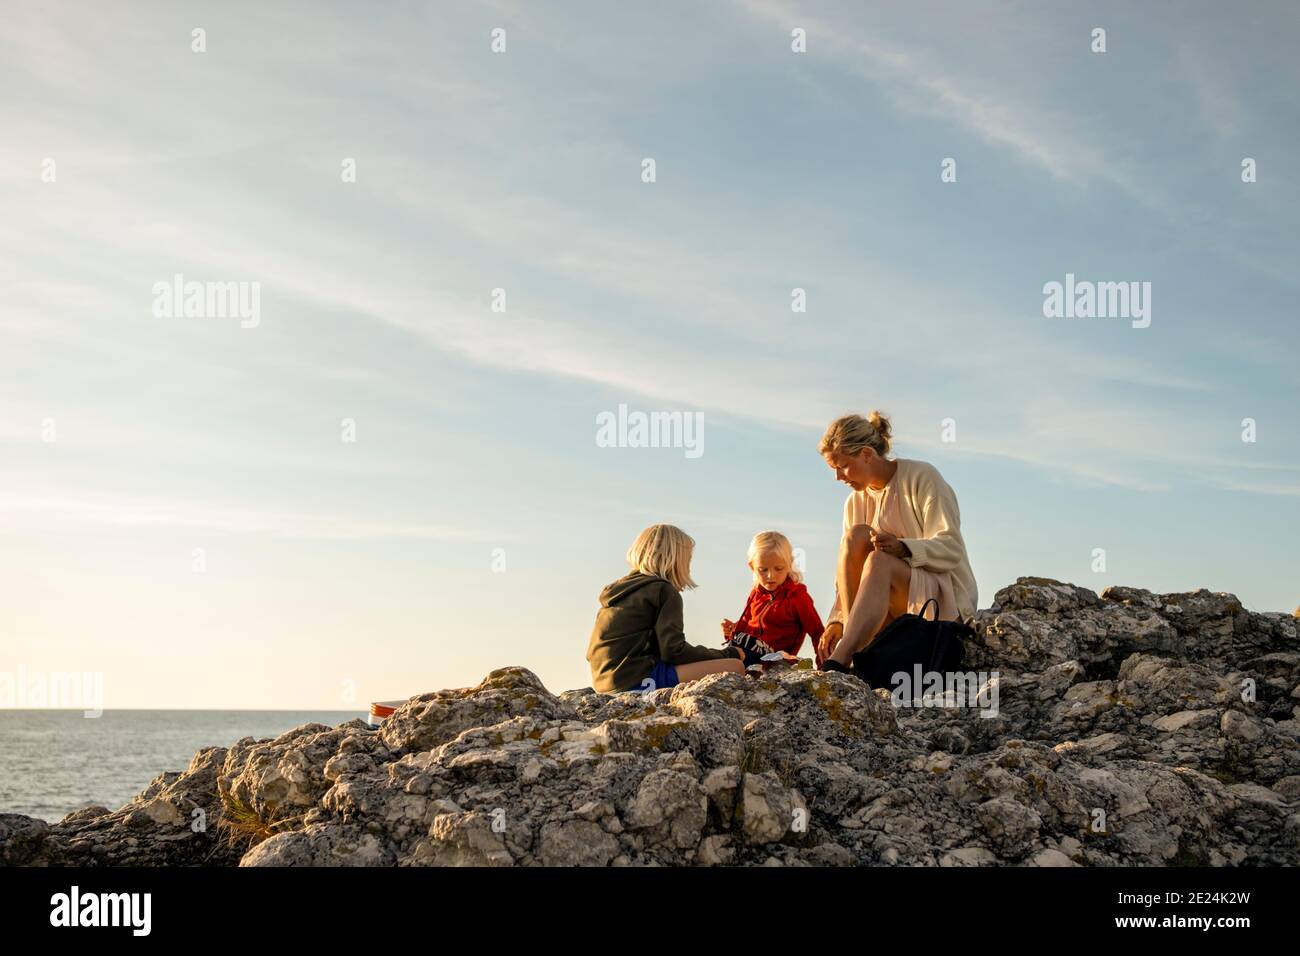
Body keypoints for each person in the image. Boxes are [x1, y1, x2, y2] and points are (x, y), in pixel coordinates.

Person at [816, 411, 978, 672]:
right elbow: (847, 573)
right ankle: (856, 645)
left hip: (939, 599)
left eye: (842, 466)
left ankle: (844, 657)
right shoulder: (855, 502)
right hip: (888, 607)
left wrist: (904, 548)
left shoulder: (922, 477)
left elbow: (951, 548)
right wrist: (836, 620)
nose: (839, 477)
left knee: (880, 560)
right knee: (855, 537)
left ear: (867, 454)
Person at [587, 524, 747, 693]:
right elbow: (674, 651)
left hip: (604, 685)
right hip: (637, 681)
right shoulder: (663, 591)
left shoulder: (619, 592)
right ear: (676, 561)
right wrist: (727, 653)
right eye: (687, 561)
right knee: (734, 667)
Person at [721, 530, 824, 658]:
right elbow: (745, 626)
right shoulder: (756, 593)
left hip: (775, 659)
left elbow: (817, 633)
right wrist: (732, 631)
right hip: (748, 654)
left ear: (789, 564)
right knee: (716, 656)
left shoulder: (796, 596)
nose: (770, 576)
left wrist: (824, 666)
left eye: (778, 569)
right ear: (752, 567)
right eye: (763, 570)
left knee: (731, 656)